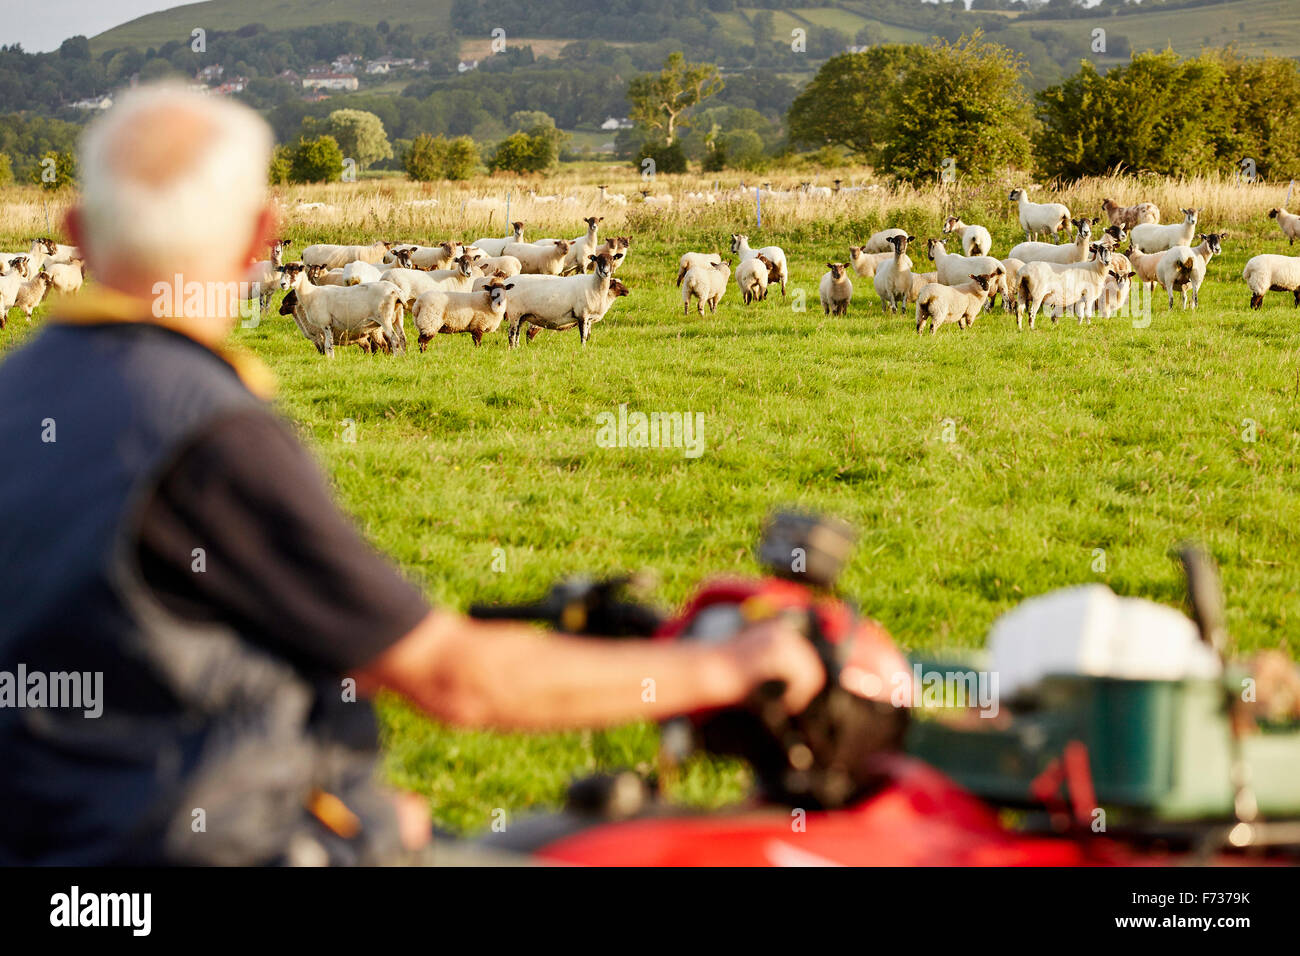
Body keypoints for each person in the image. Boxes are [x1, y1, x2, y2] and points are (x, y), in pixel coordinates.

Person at [0, 85, 824, 865]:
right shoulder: (202, 429)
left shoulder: (18, 394)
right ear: (260, 238)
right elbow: (447, 676)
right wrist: (724, 667)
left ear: (74, 233)